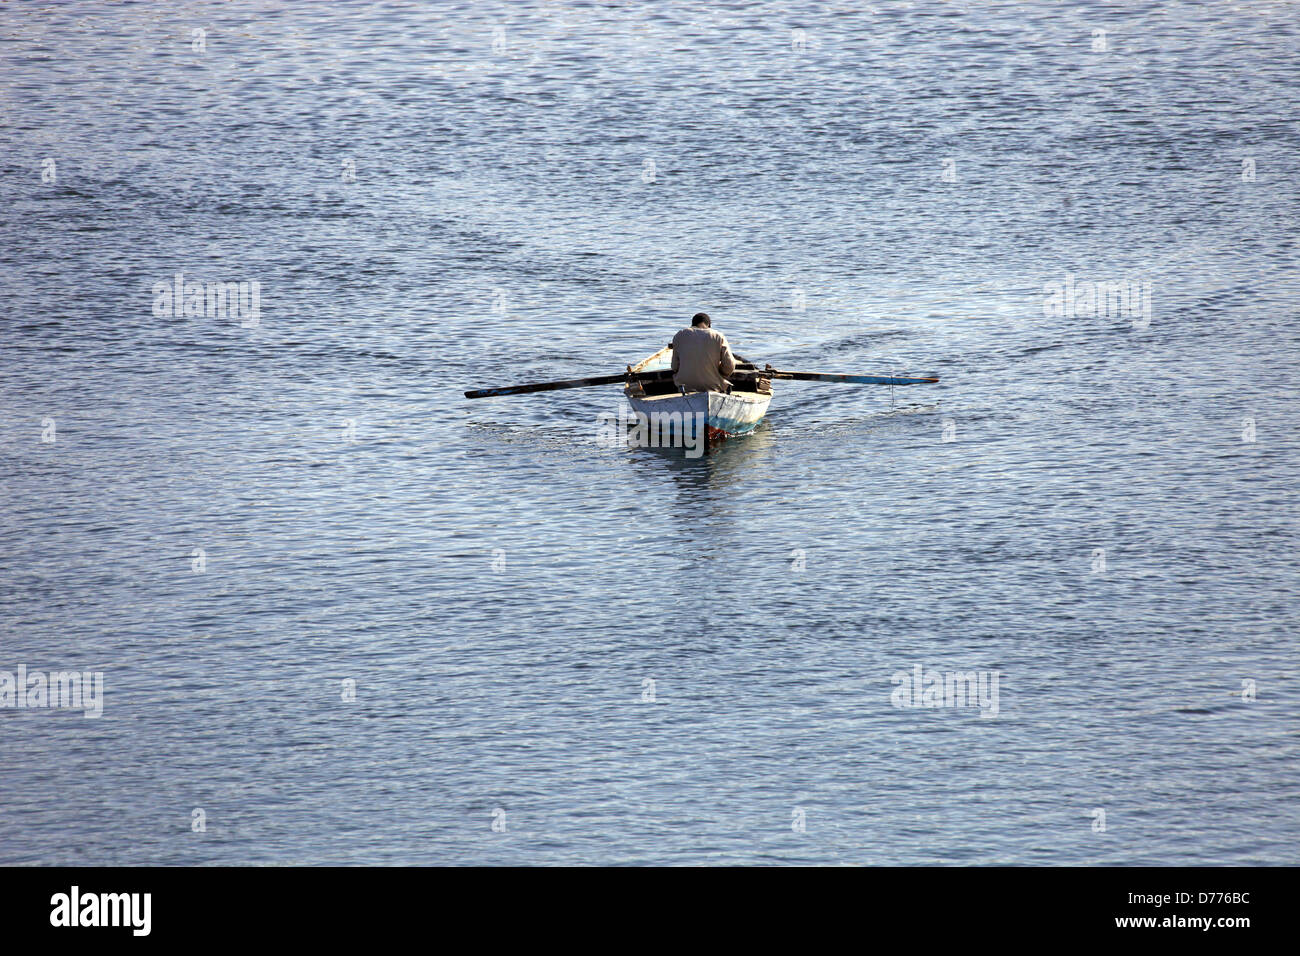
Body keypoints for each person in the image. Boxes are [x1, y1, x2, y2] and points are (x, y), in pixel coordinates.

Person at [670, 313, 736, 393]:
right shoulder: (718, 336)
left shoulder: (679, 335)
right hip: (713, 386)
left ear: (692, 324)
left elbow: (674, 367)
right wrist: (719, 371)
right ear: (709, 325)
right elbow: (729, 366)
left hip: (685, 387)